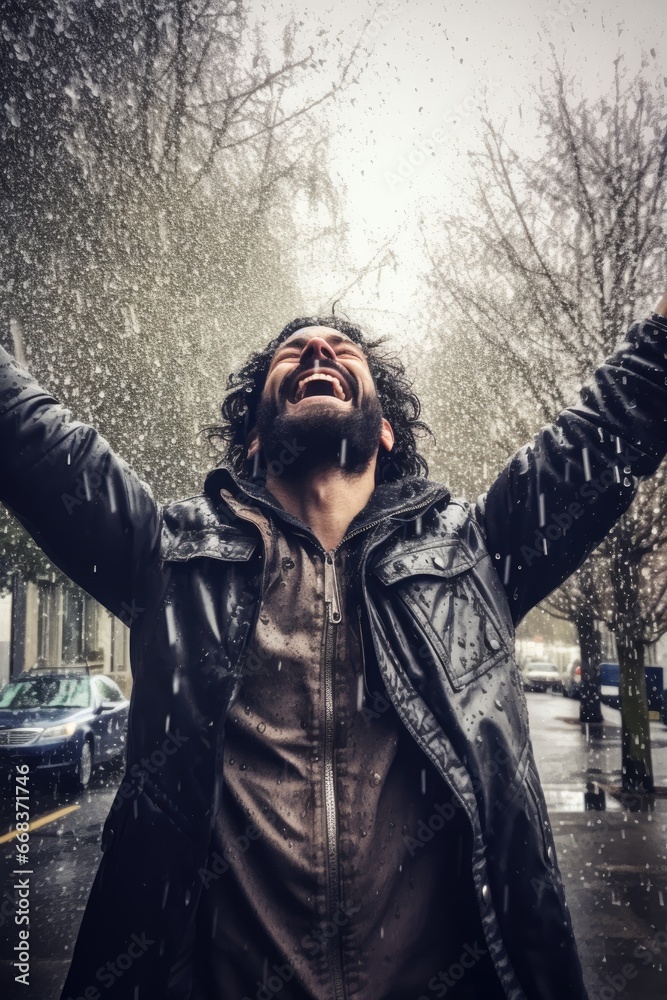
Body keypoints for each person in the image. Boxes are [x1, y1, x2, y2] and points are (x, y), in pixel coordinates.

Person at [1, 298, 667, 1000]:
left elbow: (607, 425)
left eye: (342, 348)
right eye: (294, 351)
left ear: (382, 431)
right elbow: (30, 438)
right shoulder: (168, 558)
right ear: (254, 441)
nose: (318, 351)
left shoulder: (475, 555)